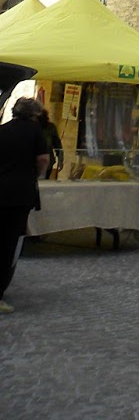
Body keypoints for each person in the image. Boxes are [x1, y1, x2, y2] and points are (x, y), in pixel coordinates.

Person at [0, 97, 50, 313]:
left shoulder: (2, 130)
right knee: (8, 244)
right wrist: (34, 175)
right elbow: (43, 159)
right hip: (19, 193)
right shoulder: (34, 131)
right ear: (34, 114)